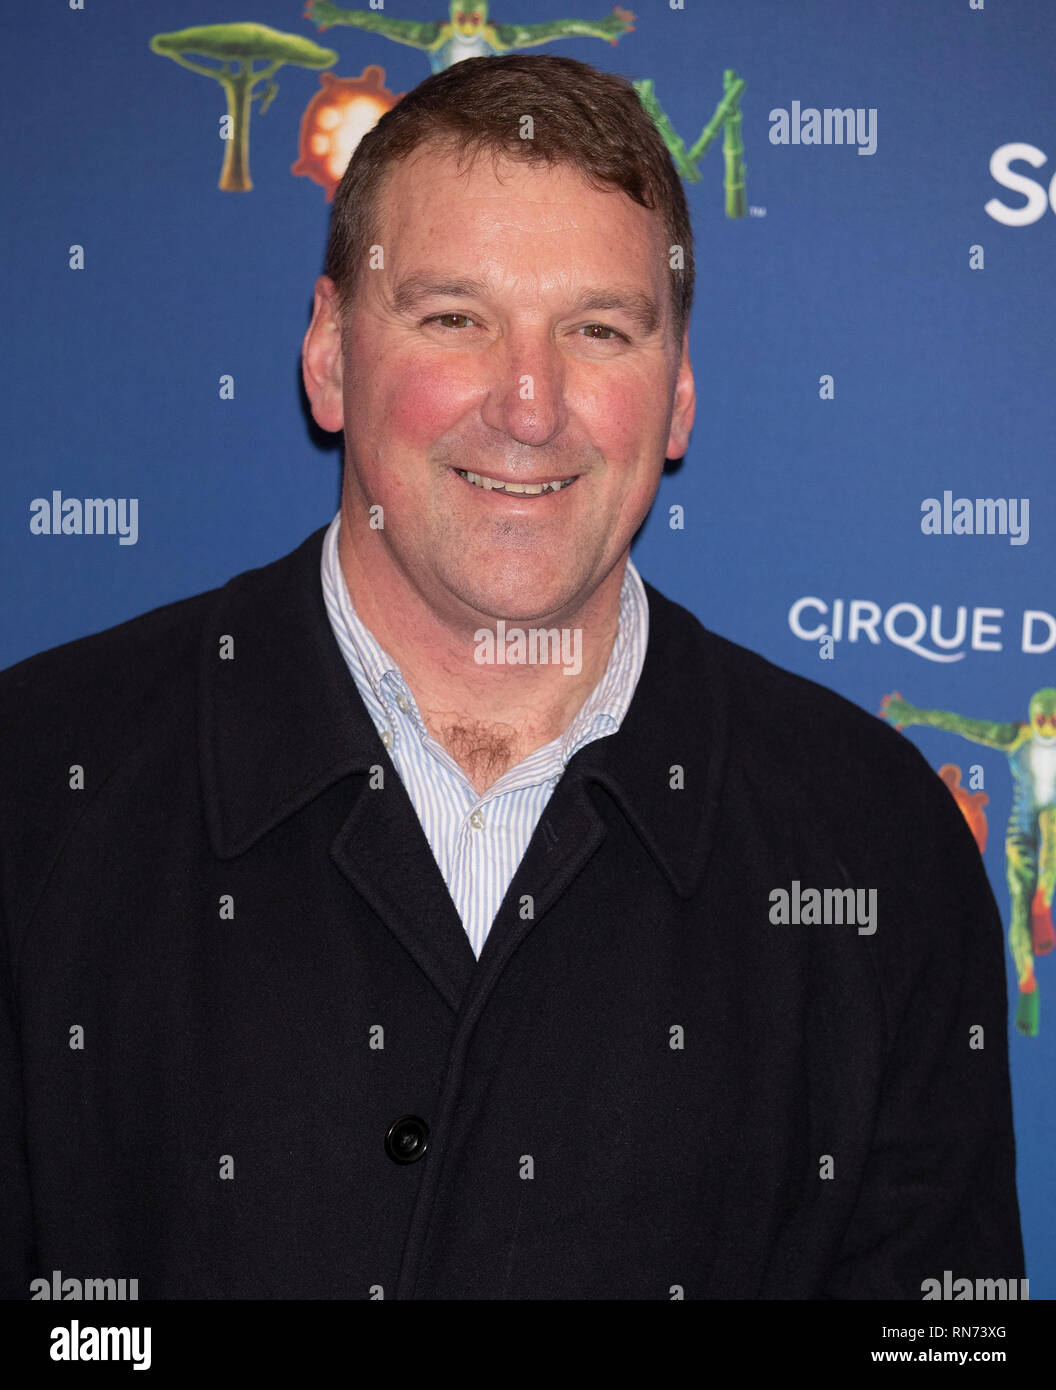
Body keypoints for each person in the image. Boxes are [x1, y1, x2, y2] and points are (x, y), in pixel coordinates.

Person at [0, 53, 1023, 1300]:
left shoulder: (873, 837)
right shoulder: (40, 787)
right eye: (454, 319)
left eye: (598, 329)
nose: (529, 405)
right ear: (328, 356)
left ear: (680, 392)